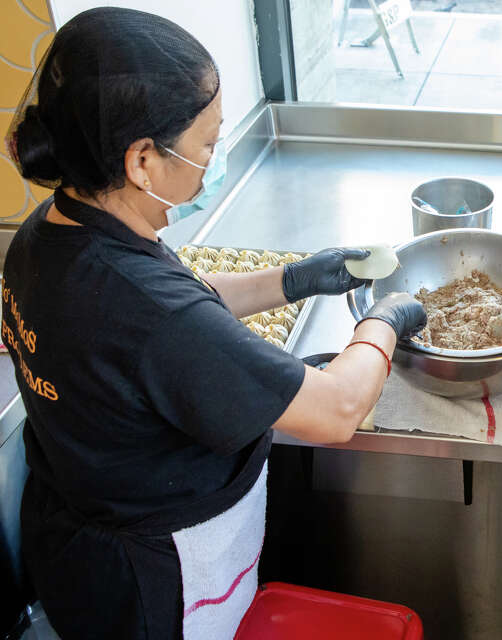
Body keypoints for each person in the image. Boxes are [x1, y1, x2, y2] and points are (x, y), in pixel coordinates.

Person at [2, 8, 426, 639]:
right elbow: (335, 410)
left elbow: (180, 301)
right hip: (150, 581)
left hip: (76, 544)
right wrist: (386, 319)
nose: (213, 157)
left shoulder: (50, 232)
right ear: (143, 159)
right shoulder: (147, 307)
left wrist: (292, 280)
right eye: (207, 142)